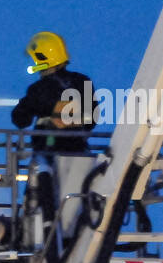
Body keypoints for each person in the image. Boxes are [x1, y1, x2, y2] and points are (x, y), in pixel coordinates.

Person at [11, 32, 99, 240]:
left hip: (49, 157)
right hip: (81, 156)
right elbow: (93, 118)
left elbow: (19, 118)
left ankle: (27, 239)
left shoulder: (39, 88)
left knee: (39, 203)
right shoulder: (83, 82)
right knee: (77, 205)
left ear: (43, 58)